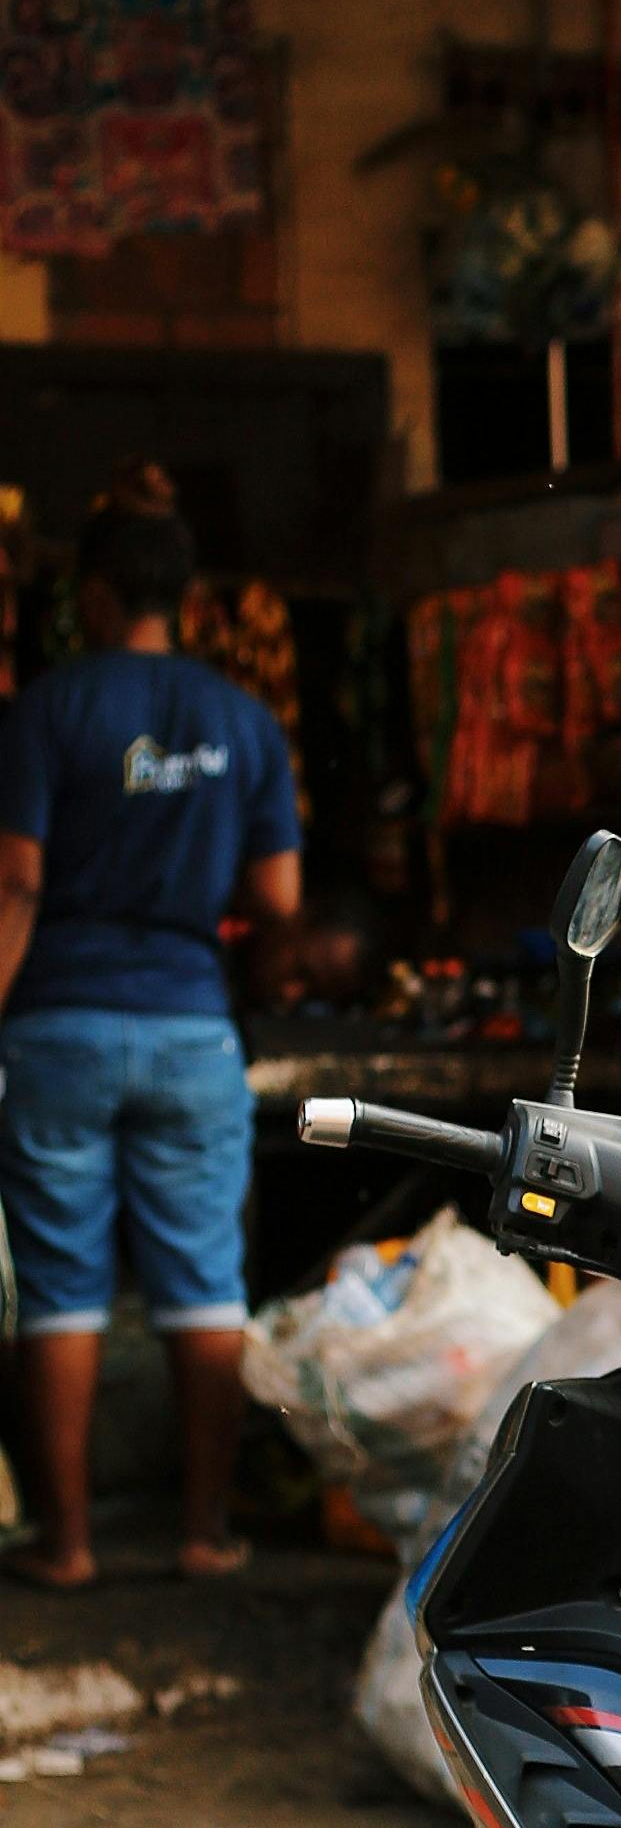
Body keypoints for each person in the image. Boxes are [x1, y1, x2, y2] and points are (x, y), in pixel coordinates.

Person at [0, 485, 301, 1587]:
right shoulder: (244, 722)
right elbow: (278, 896)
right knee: (204, 1287)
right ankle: (203, 1531)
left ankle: (68, 1546)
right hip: (190, 1024)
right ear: (183, 599)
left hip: (60, 1023)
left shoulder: (47, 708)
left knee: (63, 1286)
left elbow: (17, 883)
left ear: (93, 590)